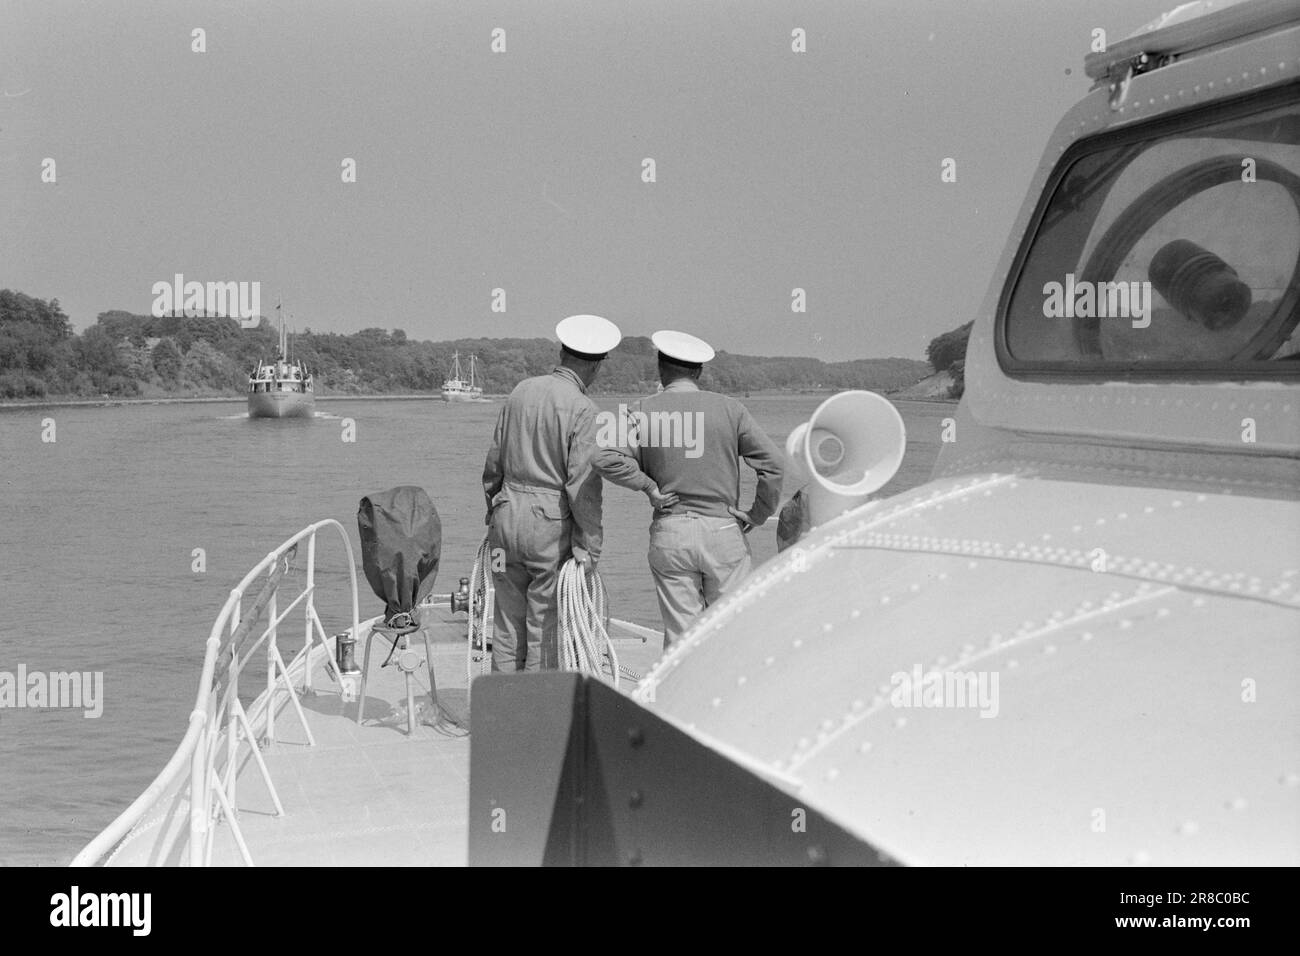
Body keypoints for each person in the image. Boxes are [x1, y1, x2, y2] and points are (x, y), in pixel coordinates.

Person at [593, 329, 783, 647]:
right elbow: (774, 466)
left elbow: (603, 456)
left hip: (671, 534)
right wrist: (757, 514)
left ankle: (678, 696)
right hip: (723, 531)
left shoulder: (639, 410)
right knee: (730, 634)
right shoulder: (730, 409)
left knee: (681, 640)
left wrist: (648, 486)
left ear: (660, 368)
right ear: (699, 371)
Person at [481, 314, 621, 671]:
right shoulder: (583, 409)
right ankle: (536, 718)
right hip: (548, 527)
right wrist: (589, 547)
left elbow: (493, 464)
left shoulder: (519, 392)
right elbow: (582, 486)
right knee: (545, 625)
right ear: (597, 366)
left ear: (561, 352)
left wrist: (494, 511)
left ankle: (502, 711)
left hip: (505, 517)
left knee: (506, 621)